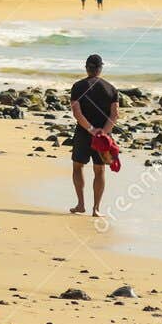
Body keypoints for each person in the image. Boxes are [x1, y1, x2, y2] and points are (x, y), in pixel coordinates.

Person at [69, 53, 120, 217]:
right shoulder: (111, 89)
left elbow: (77, 113)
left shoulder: (77, 87)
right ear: (100, 69)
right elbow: (115, 115)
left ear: (86, 68)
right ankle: (96, 209)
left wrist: (91, 130)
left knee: (78, 167)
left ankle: (80, 204)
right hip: (104, 138)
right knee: (100, 171)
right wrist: (102, 133)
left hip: (83, 134)